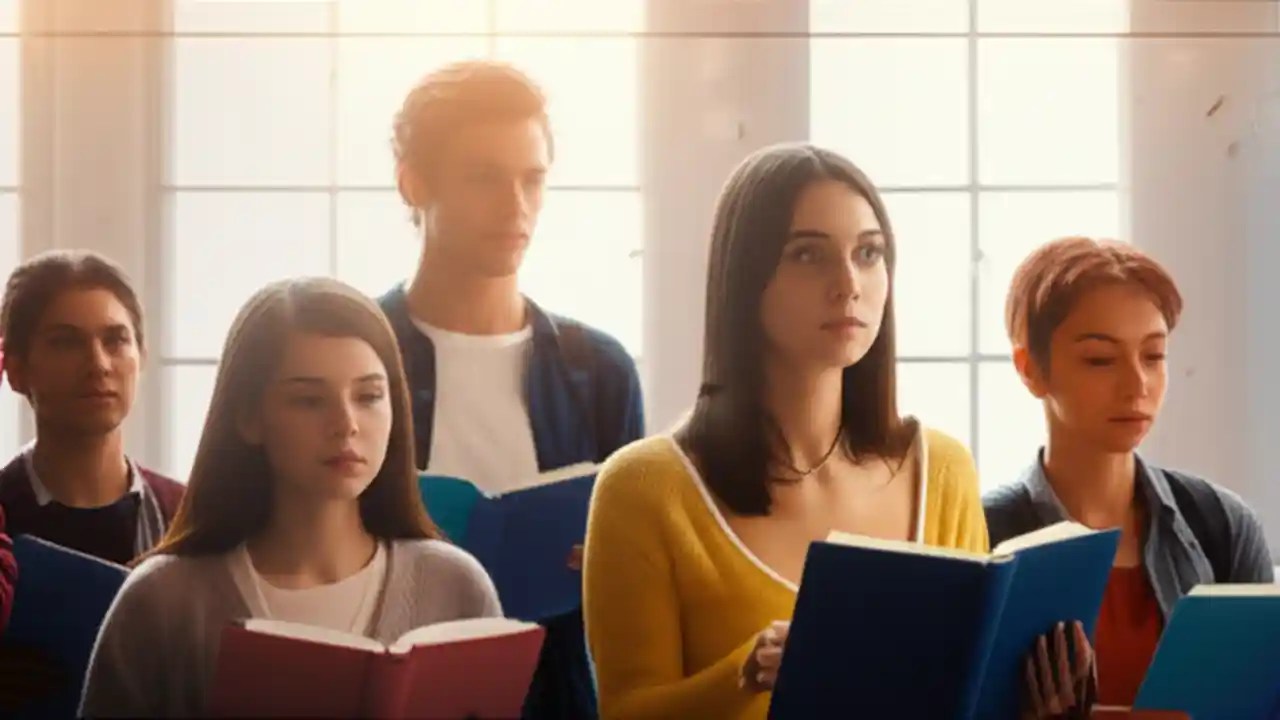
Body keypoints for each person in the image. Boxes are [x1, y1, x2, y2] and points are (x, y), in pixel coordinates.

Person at [583, 144, 1090, 720]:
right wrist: (747, 673)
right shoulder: (643, 489)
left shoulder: (942, 469)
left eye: (869, 253)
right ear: (746, 276)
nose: (848, 282)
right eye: (807, 255)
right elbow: (625, 711)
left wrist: (1030, 704)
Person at [80, 278, 502, 718]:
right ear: (248, 418)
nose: (346, 424)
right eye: (309, 400)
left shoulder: (454, 588)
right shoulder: (164, 601)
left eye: (369, 397)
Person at [379, 60, 644, 720]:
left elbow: (644, 585)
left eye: (533, 179)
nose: (516, 205)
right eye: (484, 178)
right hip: (392, 690)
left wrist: (614, 566)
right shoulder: (356, 357)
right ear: (414, 183)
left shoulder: (601, 373)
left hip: (559, 696)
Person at [984, 236, 1274, 708]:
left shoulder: (1221, 524)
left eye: (1154, 356)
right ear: (1030, 368)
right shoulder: (983, 535)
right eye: (1100, 359)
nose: (1137, 384)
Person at [0, 250, 183, 566]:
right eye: (66, 342)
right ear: (16, 370)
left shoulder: (186, 519)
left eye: (115, 340)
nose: (98, 364)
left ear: (141, 357)